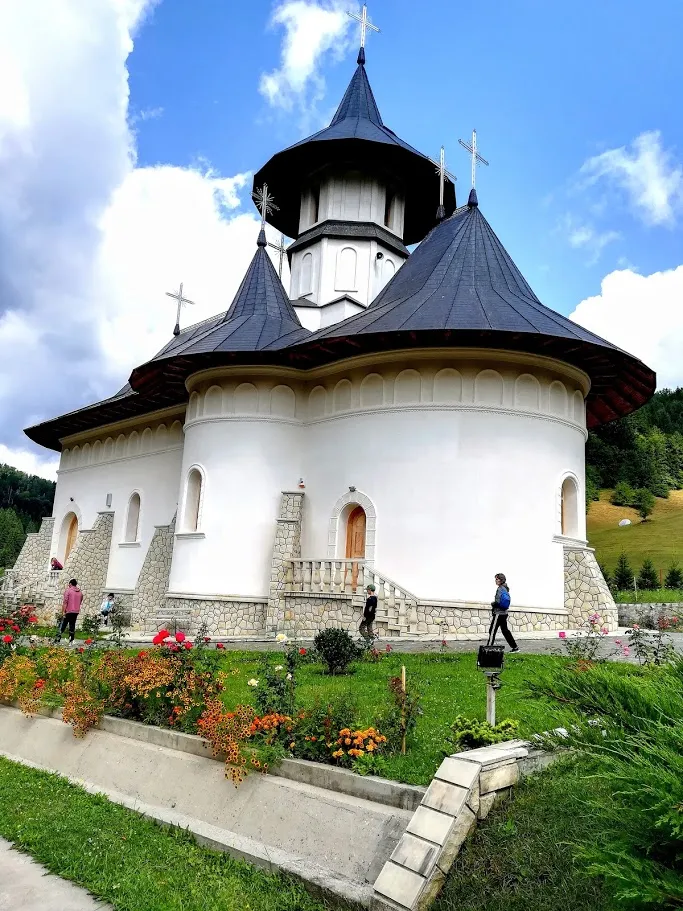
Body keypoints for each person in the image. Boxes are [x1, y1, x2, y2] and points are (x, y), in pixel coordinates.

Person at [488, 573, 519, 652]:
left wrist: (493, 604)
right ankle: (515, 647)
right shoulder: (505, 588)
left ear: (501, 580)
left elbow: (498, 602)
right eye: (495, 579)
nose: (495, 580)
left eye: (497, 579)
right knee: (505, 631)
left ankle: (488, 649)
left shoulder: (500, 589)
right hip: (504, 613)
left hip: (498, 613)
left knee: (492, 631)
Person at [55, 579, 83, 644]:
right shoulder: (80, 593)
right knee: (72, 625)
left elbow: (65, 602)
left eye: (69, 584)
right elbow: (80, 601)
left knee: (63, 625)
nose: (68, 585)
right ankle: (71, 640)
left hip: (68, 611)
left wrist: (63, 612)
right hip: (76, 611)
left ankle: (57, 639)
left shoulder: (68, 591)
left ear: (70, 584)